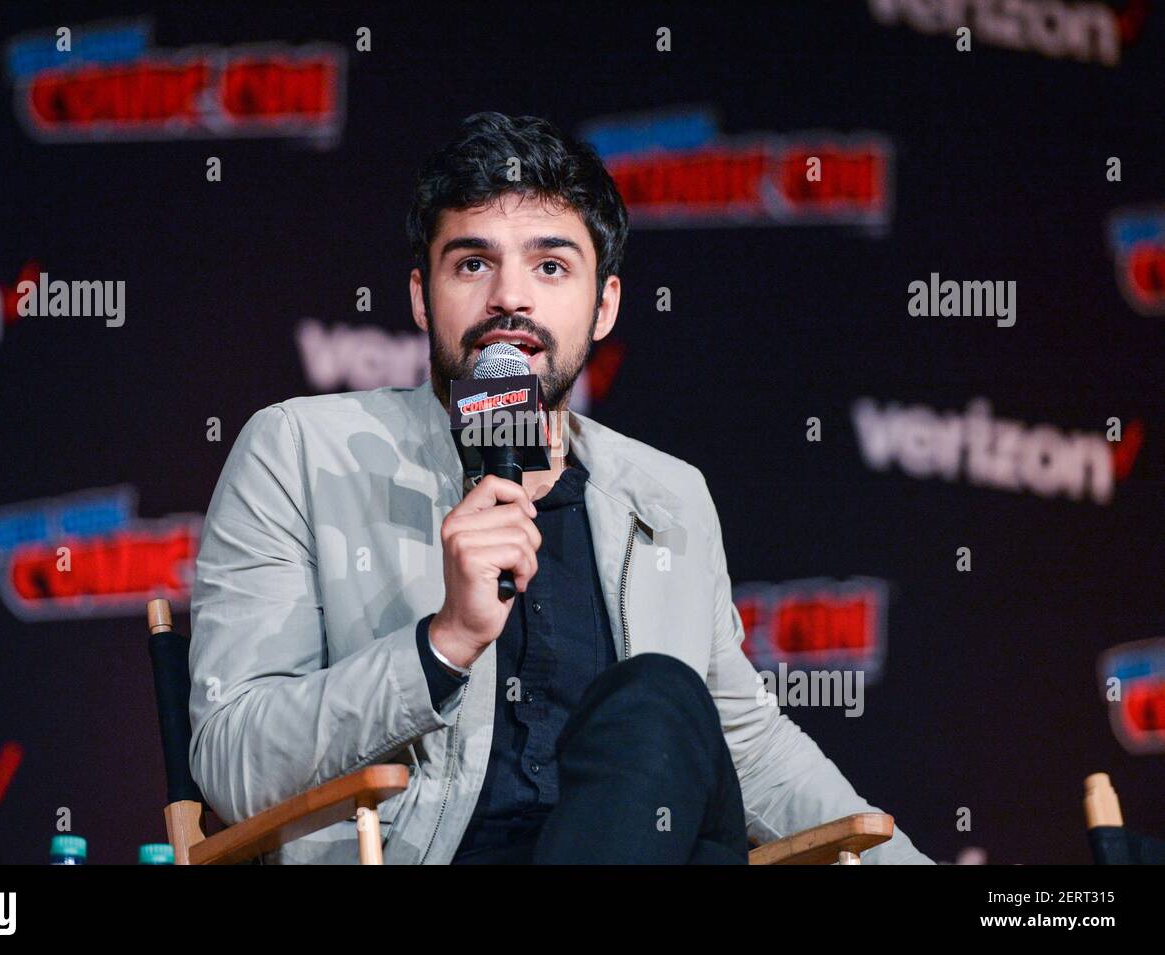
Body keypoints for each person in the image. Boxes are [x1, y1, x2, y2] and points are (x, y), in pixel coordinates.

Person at [188, 111, 935, 865]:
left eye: (550, 266)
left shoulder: (669, 496)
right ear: (421, 298)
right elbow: (230, 757)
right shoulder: (301, 453)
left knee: (659, 703)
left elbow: (754, 749)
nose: (509, 299)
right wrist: (441, 645)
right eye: (472, 264)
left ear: (603, 305)